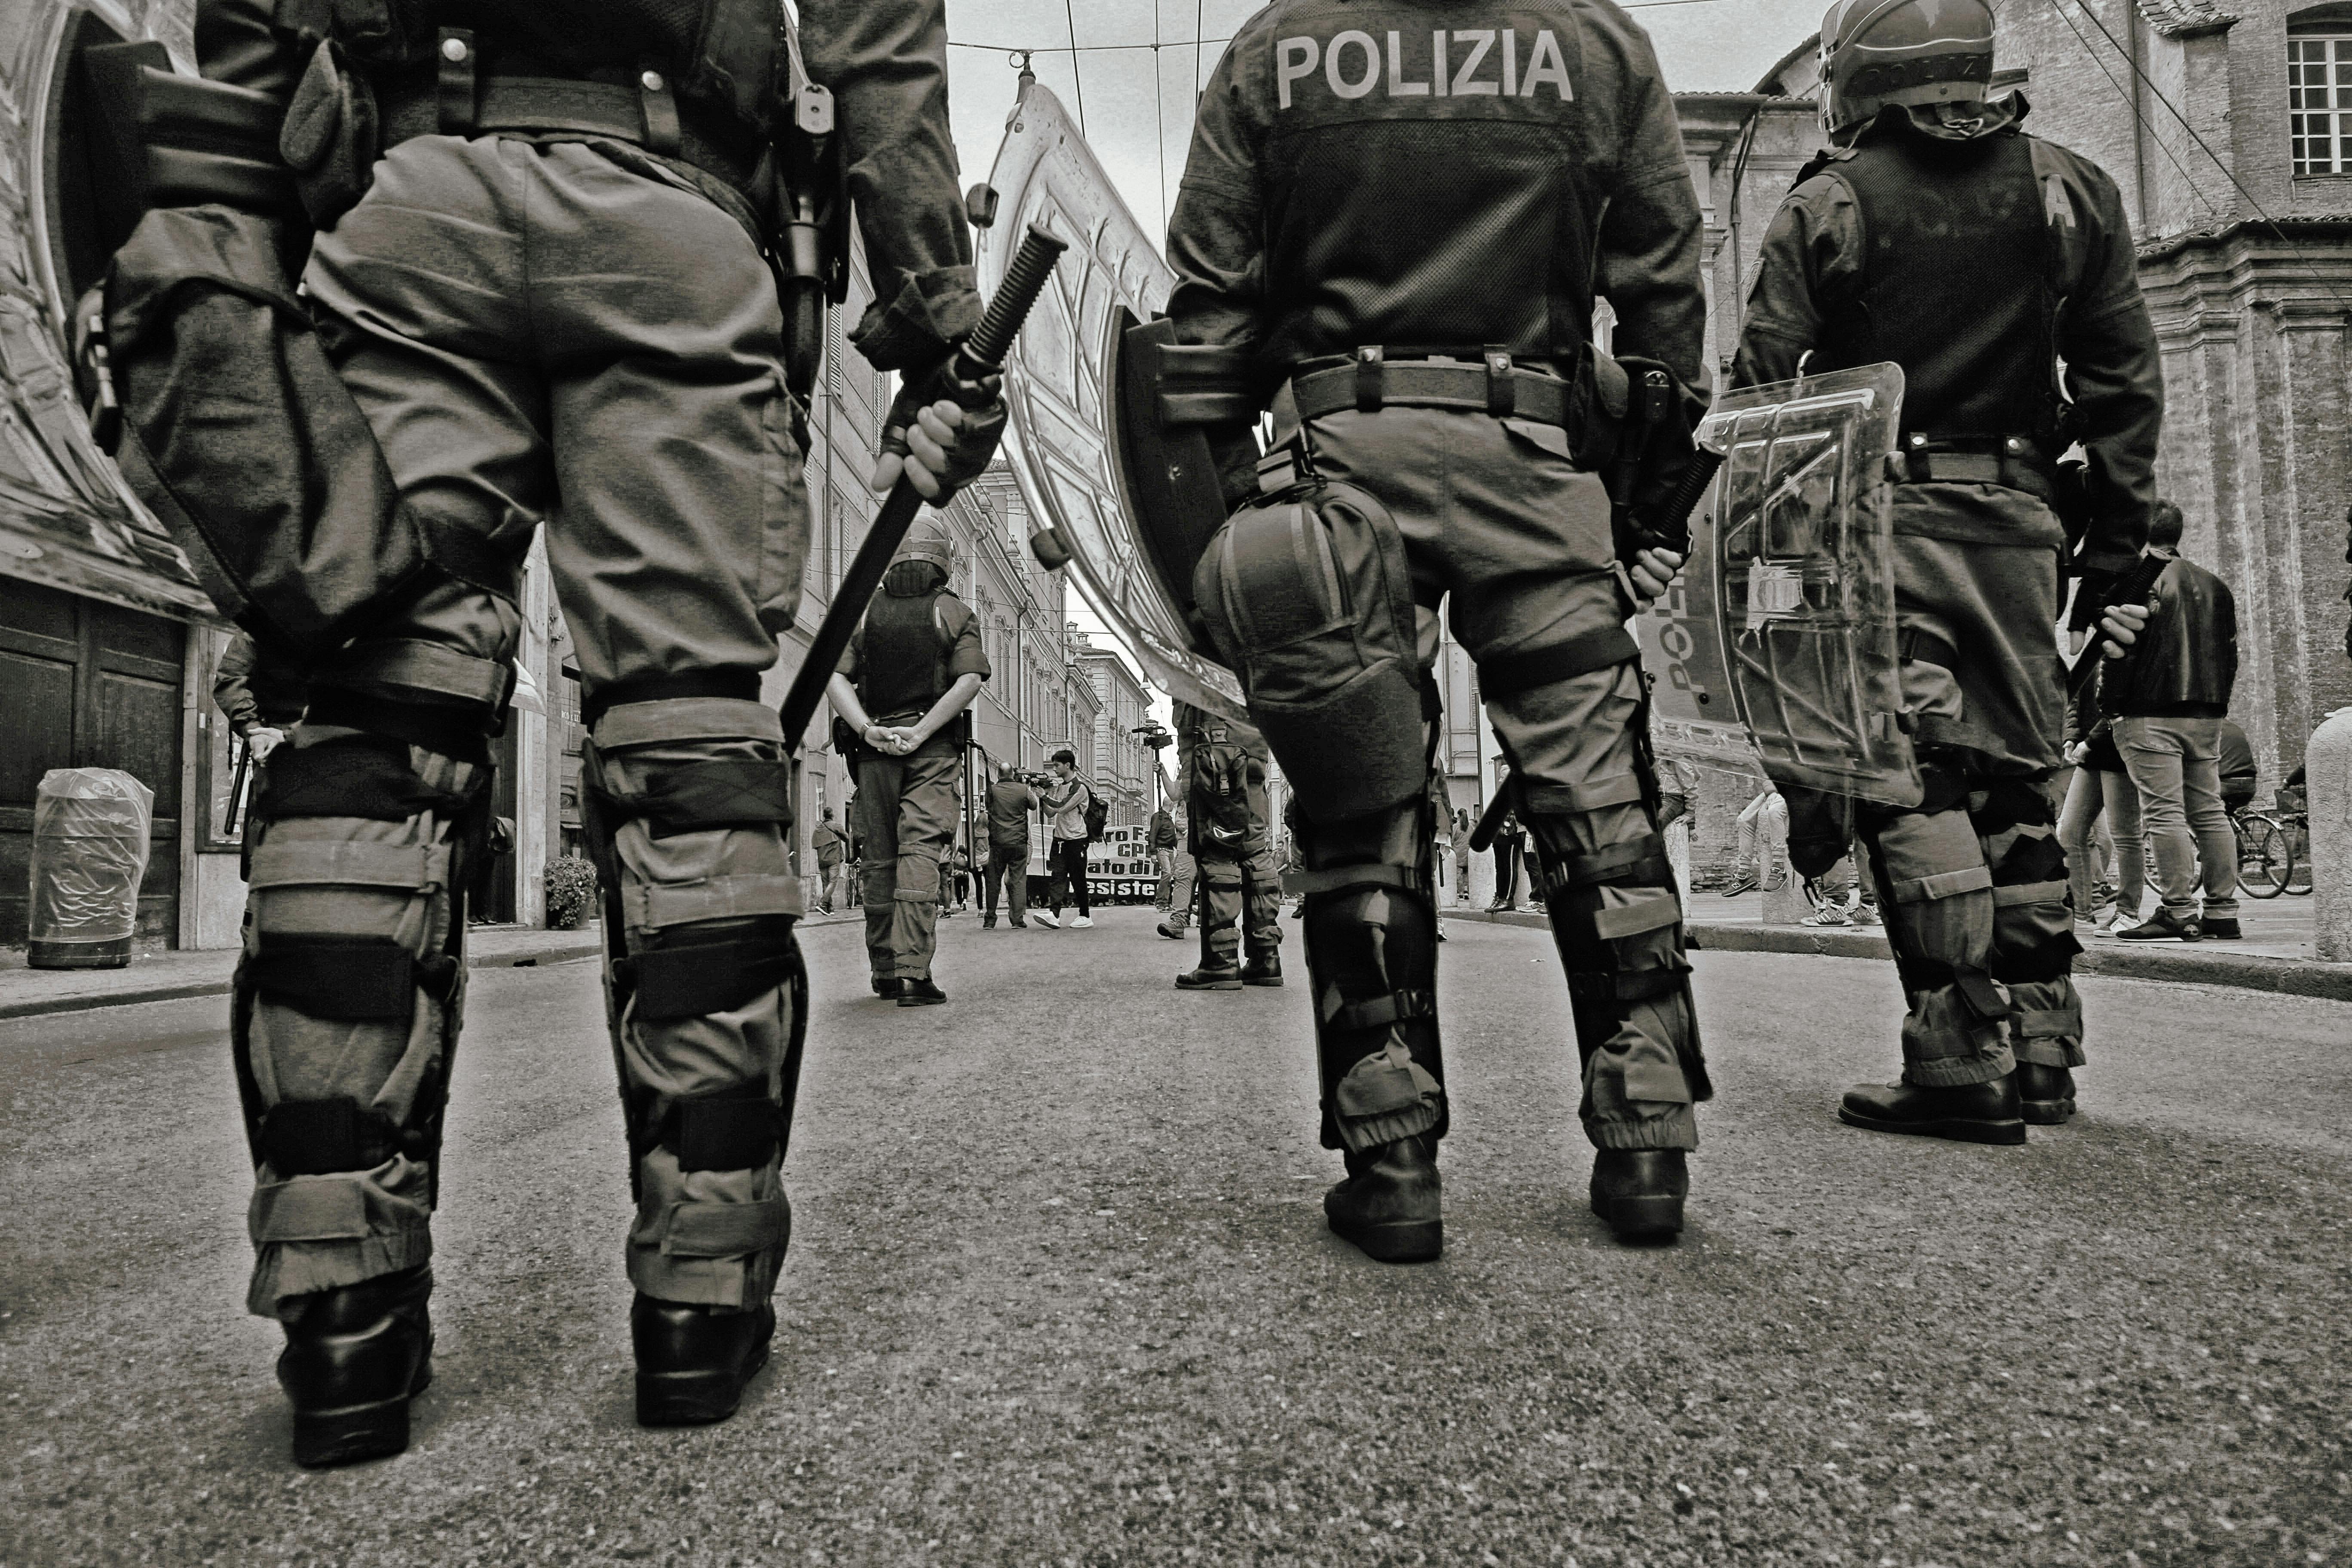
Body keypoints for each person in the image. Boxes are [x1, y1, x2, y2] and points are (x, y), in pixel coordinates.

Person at [175, 0, 1006, 1463]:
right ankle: (698, 1291)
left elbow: (246, 27)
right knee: (691, 746)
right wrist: (937, 323)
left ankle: (343, 1310)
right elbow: (881, 47)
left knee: (372, 717)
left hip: (409, 206)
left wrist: (228, 235)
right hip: (676, 227)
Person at [1166, 0, 1716, 1255]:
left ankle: (1391, 1143)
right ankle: (1646, 1130)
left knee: (1360, 796)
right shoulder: (1598, 45)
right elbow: (1666, 308)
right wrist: (1633, 511)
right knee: (1597, 790)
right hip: (1532, 451)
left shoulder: (1274, 51)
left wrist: (1231, 525)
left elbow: (1204, 329)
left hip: (1340, 458)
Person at [1733, 0, 2162, 1140]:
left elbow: (1764, 392)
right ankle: (2045, 1043)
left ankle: (1958, 1054)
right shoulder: (2072, 190)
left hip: (1882, 522)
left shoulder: (1829, 200)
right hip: (2025, 523)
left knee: (1911, 774)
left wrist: (1758, 569)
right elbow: (2124, 381)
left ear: (1853, 79)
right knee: (2019, 774)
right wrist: (2115, 555)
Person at [827, 518, 991, 1000]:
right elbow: (969, 681)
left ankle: (882, 972)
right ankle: (914, 974)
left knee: (878, 858)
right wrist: (919, 731)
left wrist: (867, 729)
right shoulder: (954, 612)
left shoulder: (861, 613)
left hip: (873, 753)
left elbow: (834, 677)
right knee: (920, 852)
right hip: (931, 750)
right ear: (944, 560)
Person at [2108, 502, 2241, 942]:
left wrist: (2112, 707)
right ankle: (2223, 911)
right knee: (2210, 809)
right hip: (2205, 712)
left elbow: (2119, 654)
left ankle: (2179, 910)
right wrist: (2217, 704)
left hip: (2150, 711)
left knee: (2164, 812)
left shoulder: (2138, 581)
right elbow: (2230, 654)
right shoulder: (2216, 585)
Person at [1170, 700, 1284, 990]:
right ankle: (1266, 957)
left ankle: (1220, 961)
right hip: (1252, 739)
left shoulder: (1206, 657)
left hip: (1214, 742)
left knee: (1218, 849)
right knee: (1254, 849)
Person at [2058, 668, 2138, 934]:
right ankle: (2082, 913)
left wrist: (2091, 740)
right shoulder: (2095, 654)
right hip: (2090, 754)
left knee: (2124, 834)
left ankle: (2127, 912)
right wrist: (2071, 738)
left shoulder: (2131, 650)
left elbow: (2122, 703)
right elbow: (2075, 701)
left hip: (2117, 751)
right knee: (2070, 832)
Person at [1034, 750, 1095, 929]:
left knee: (1078, 879)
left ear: (1068, 765)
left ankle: (1085, 915)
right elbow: (1051, 812)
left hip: (1076, 840)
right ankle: (1054, 914)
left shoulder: (1080, 788)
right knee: (1057, 877)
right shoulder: (1060, 788)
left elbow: (1062, 807)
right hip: (1060, 839)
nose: (1055, 769)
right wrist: (1043, 796)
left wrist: (1044, 796)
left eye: (1057, 766)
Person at [980, 762, 1036, 929]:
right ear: (1013, 774)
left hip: (998, 843)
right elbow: (1034, 805)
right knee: (1018, 881)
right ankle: (1017, 920)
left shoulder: (992, 791)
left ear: (998, 775)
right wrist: (1026, 788)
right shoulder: (1023, 790)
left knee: (993, 881)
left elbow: (989, 807)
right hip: (1019, 842)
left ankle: (990, 920)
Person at [1655, 753, 1701, 911]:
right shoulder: (1658, 755)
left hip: (1674, 799)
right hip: (1661, 797)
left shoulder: (1678, 757)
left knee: (1656, 824)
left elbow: (1691, 785)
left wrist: (1690, 813)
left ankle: (1664, 866)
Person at [1723, 785, 1787, 897]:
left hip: (1801, 787)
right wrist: (1772, 791)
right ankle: (1744, 873)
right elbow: (1766, 774)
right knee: (1743, 820)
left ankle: (1779, 867)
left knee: (1774, 812)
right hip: (1777, 787)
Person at [809, 808, 850, 917]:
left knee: (826, 883)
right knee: (833, 882)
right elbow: (847, 837)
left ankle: (829, 908)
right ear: (832, 815)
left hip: (822, 859)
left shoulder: (818, 829)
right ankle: (823, 904)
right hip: (834, 858)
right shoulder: (835, 825)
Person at [1487, 809, 1528, 914]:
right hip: (1498, 833)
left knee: (1509, 868)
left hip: (1511, 833)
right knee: (1500, 869)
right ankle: (1500, 897)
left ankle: (1508, 899)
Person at [1148, 800, 1181, 909]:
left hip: (1170, 850)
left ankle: (1165, 902)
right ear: (1171, 805)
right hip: (1162, 849)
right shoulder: (1159, 817)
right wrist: (1153, 852)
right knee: (1167, 873)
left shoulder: (1166, 817)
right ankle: (1161, 902)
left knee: (1170, 875)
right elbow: (1153, 834)